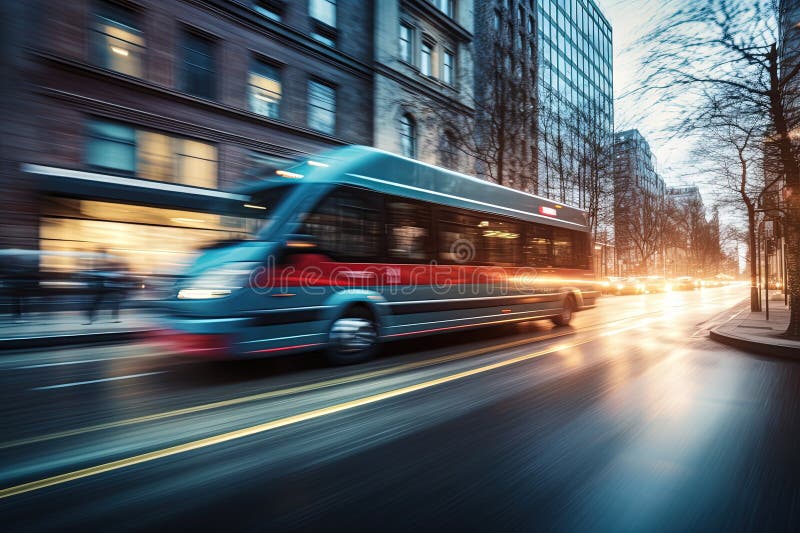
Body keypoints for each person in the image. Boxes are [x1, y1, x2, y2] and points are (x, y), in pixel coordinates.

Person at [85, 251, 131, 324]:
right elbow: (112, 276)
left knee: (112, 302)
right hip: (104, 288)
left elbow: (117, 277)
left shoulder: (111, 265)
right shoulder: (106, 265)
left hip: (108, 288)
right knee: (99, 303)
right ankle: (93, 318)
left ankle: (111, 318)